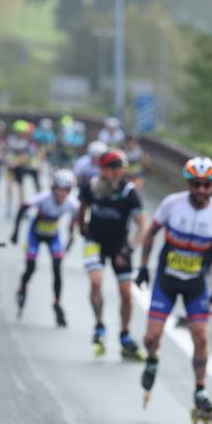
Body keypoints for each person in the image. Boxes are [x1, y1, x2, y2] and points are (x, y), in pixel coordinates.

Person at [134, 157, 212, 424]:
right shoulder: (171, 204)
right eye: (196, 184)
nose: (201, 190)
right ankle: (152, 359)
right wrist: (143, 267)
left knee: (200, 336)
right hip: (166, 280)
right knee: (151, 337)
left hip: (194, 285)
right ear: (188, 183)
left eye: (207, 185)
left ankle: (200, 389)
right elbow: (151, 234)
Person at [77, 149, 146, 359]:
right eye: (106, 170)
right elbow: (82, 208)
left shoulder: (128, 192)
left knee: (126, 292)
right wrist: (83, 228)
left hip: (119, 245)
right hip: (95, 241)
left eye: (116, 170)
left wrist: (129, 248)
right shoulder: (92, 186)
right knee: (96, 282)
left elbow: (142, 226)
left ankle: (124, 335)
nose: (110, 174)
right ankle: (99, 326)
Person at [11, 169, 79, 326]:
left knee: (57, 267)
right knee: (31, 268)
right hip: (34, 234)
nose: (61, 194)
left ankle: (57, 302)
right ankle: (23, 286)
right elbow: (23, 208)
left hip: (53, 236)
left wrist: (71, 237)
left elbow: (75, 220)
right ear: (53, 188)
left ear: (69, 191)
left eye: (65, 191)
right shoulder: (44, 198)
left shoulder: (72, 203)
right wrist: (16, 232)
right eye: (58, 190)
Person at [5, 119, 39, 216]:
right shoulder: (10, 140)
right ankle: (9, 206)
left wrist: (16, 163)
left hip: (20, 167)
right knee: (9, 186)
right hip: (10, 167)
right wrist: (8, 160)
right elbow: (6, 152)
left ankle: (22, 208)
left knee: (21, 188)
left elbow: (26, 156)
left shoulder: (27, 142)